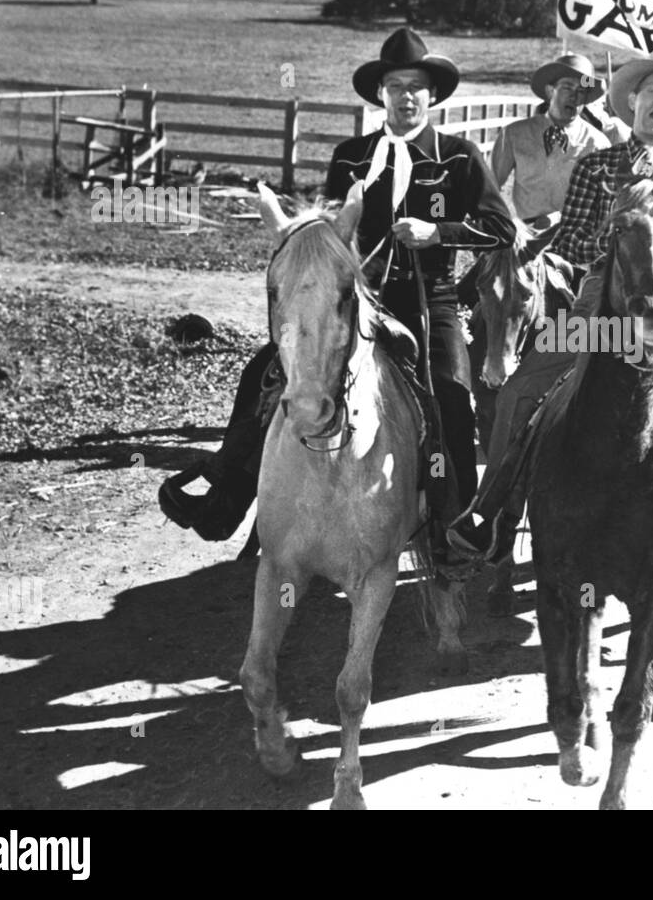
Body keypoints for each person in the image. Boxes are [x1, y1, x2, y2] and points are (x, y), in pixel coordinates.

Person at [158, 28, 516, 568]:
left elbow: (501, 229)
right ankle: (227, 499)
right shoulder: (351, 157)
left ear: (432, 95)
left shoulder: (458, 158)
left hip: (429, 301)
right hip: (352, 300)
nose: (406, 96)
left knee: (448, 391)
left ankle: (453, 521)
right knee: (265, 371)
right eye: (395, 86)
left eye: (416, 86)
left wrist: (438, 233)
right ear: (381, 95)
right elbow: (326, 231)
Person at [449, 49, 653, 577]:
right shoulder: (597, 165)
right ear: (631, 104)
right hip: (598, 310)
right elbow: (571, 242)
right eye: (651, 94)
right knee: (520, 393)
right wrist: (614, 247)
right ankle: (493, 514)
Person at [490, 53, 610, 229]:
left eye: (582, 91)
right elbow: (490, 186)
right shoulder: (515, 134)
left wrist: (562, 218)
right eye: (567, 88)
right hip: (526, 238)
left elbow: (603, 202)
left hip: (575, 237)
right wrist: (500, 223)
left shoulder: (598, 143)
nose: (574, 97)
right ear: (549, 91)